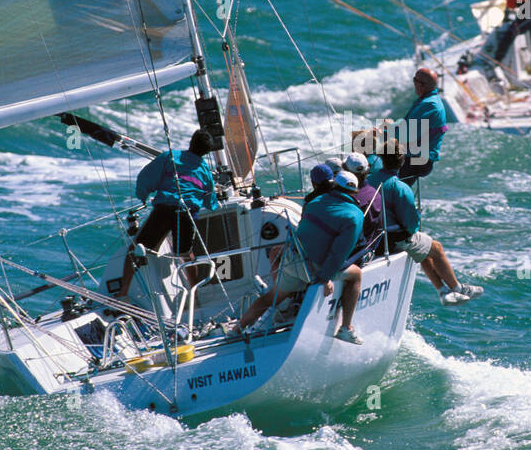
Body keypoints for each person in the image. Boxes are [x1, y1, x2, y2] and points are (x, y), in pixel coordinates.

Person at [236, 170, 365, 343]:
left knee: (270, 298)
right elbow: (338, 254)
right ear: (355, 192)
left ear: (334, 185)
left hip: (293, 262)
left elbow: (302, 234)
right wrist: (325, 278)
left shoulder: (314, 202)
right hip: (315, 271)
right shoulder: (355, 215)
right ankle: (346, 328)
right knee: (356, 274)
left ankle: (236, 329)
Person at [373, 139, 481, 305]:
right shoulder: (400, 187)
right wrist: (416, 218)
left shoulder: (369, 180)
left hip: (373, 238)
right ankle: (457, 288)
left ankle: (444, 292)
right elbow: (410, 225)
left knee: (424, 247)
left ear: (381, 158)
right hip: (392, 239)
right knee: (436, 248)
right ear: (402, 160)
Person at [117, 129, 218, 298]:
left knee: (135, 250)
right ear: (207, 152)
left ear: (191, 142)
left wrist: (142, 196)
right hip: (186, 213)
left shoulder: (170, 156)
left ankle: (122, 293)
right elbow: (211, 203)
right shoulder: (205, 171)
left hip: (164, 210)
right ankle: (195, 296)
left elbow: (145, 178)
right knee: (186, 254)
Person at [396, 67, 448, 183]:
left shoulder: (429, 105)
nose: (413, 82)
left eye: (415, 79)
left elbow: (405, 135)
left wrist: (382, 133)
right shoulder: (431, 100)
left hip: (415, 160)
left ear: (421, 85)